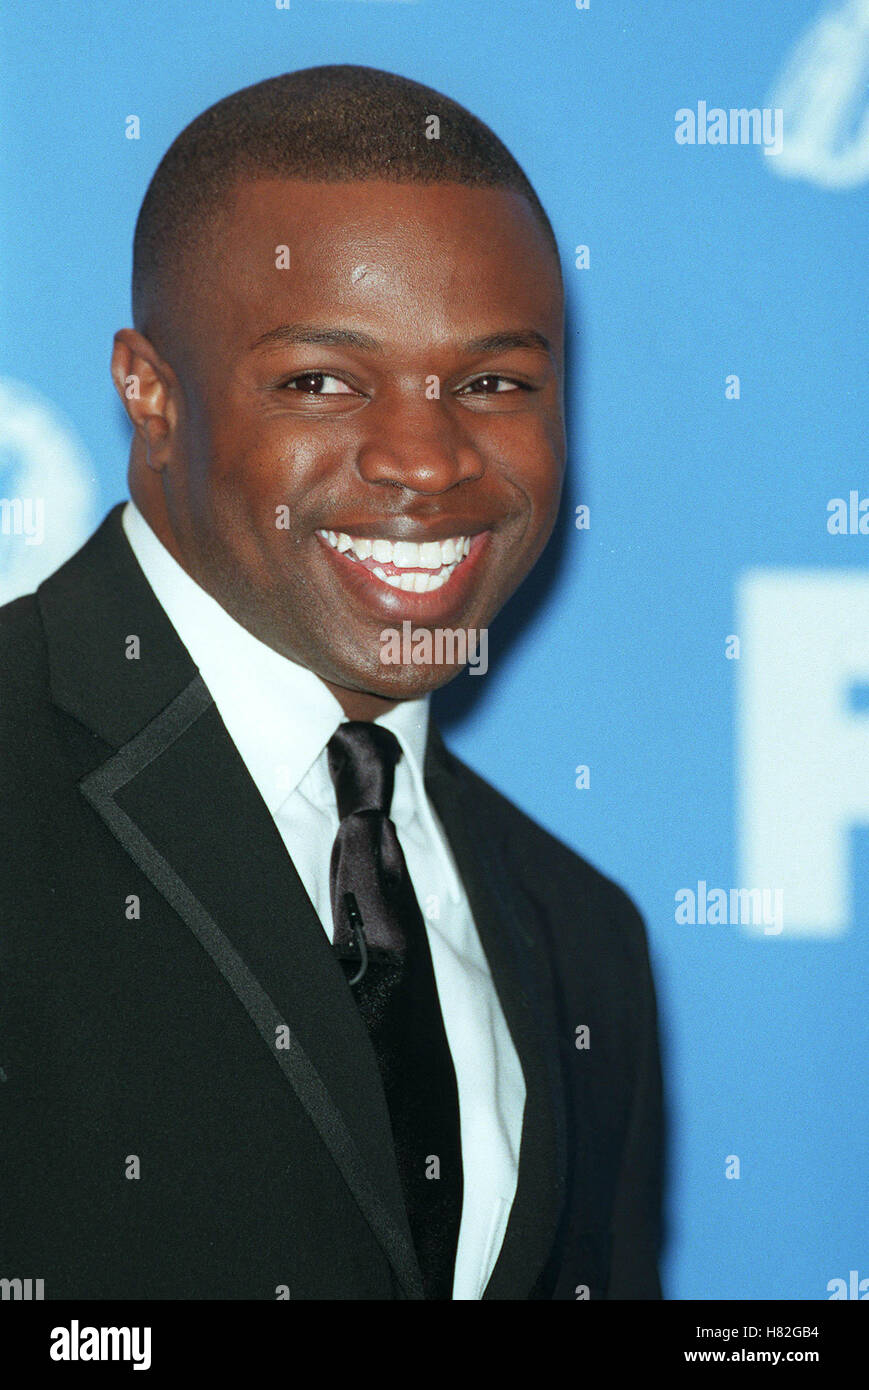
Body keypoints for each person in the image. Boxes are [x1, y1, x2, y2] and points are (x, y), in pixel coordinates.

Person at [0, 65, 663, 1300]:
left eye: (491, 383)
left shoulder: (583, 941)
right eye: (321, 380)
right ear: (149, 390)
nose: (423, 458)